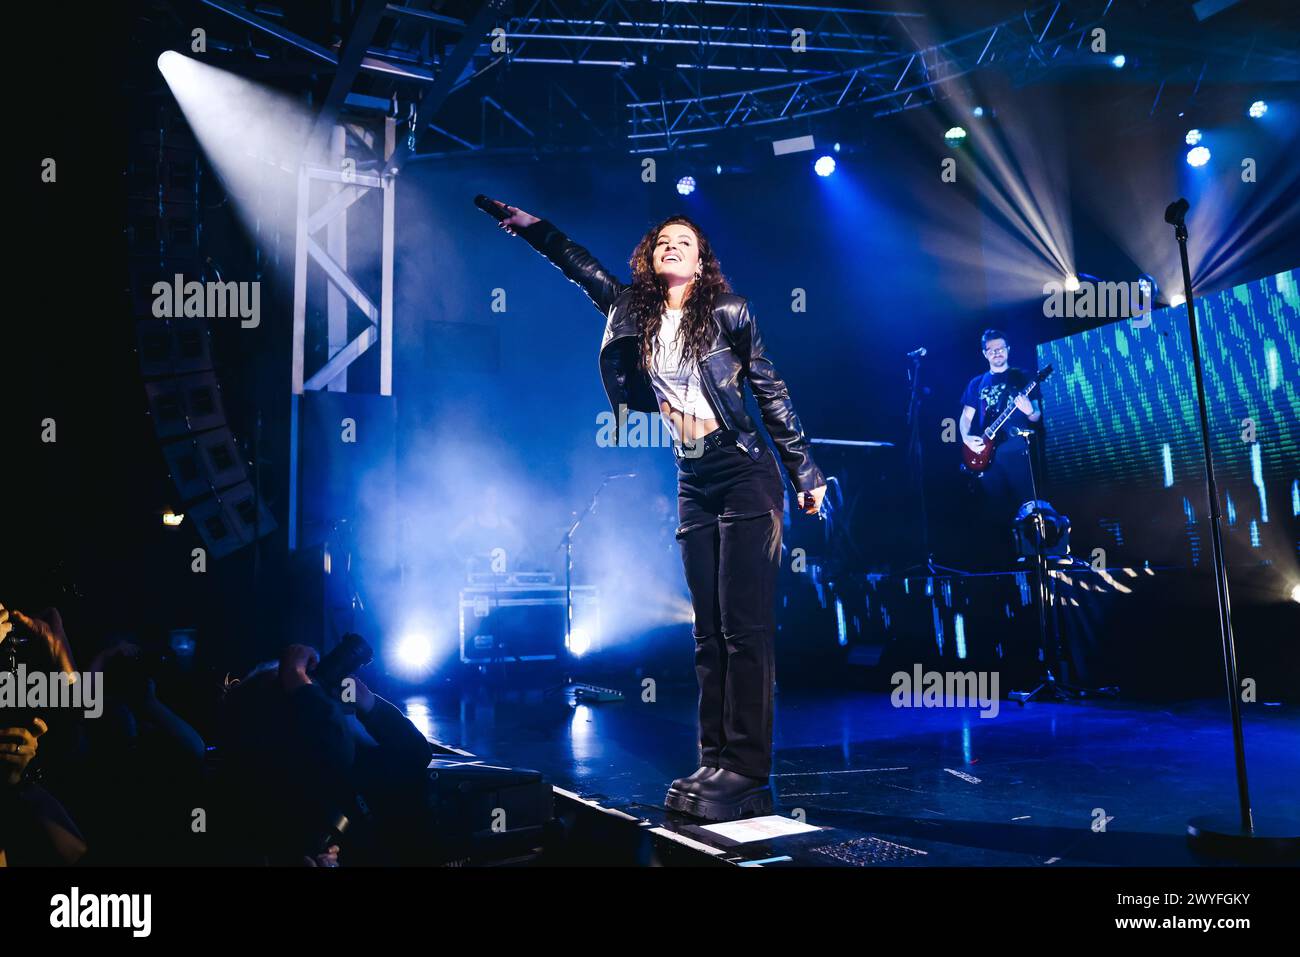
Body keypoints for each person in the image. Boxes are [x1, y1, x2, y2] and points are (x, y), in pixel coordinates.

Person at [493, 202, 826, 821]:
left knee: (742, 629)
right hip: (692, 474)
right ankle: (715, 759)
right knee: (706, 631)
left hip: (744, 469)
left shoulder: (729, 312)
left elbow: (769, 388)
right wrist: (535, 227)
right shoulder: (630, 310)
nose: (672, 246)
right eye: (662, 241)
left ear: (701, 263)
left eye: (684, 241)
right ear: (650, 257)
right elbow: (578, 264)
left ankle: (747, 770)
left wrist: (805, 471)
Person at [959, 329, 1042, 558]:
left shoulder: (1022, 377)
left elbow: (1036, 415)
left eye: (1001, 349)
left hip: (1017, 451)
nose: (997, 353)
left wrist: (1030, 411)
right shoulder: (976, 383)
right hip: (988, 456)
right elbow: (966, 418)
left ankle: (1031, 559)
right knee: (995, 510)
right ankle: (1000, 560)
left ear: (1008, 350)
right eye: (992, 350)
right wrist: (966, 438)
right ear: (985, 354)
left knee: (1027, 508)